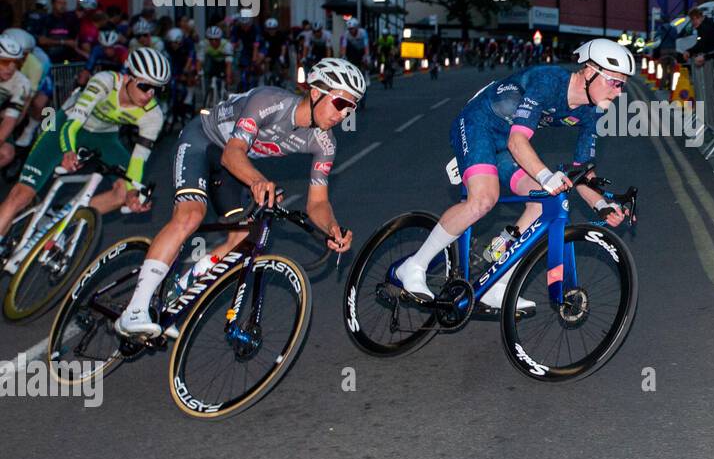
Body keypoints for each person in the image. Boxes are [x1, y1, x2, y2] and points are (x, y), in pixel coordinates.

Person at [113, 58, 361, 338]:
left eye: (351, 107)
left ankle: (177, 292)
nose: (344, 115)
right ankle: (133, 310)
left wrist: (332, 228)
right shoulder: (270, 101)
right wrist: (258, 181)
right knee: (191, 214)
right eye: (341, 104)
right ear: (316, 93)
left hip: (232, 165)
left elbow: (317, 202)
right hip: (203, 142)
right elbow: (233, 153)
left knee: (242, 239)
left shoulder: (325, 143)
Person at [389, 38, 632, 313]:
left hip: (506, 141)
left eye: (623, 84)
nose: (619, 91)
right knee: (484, 199)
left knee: (543, 203)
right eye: (615, 82)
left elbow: (583, 172)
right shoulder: (549, 80)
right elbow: (519, 143)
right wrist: (545, 176)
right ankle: (413, 266)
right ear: (589, 72)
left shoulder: (591, 113)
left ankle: (498, 284)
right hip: (478, 123)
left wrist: (602, 205)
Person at [0, 47, 169, 252]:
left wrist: (133, 191)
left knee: (126, 190)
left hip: (105, 138)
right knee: (21, 194)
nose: (150, 95)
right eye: (144, 86)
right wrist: (69, 151)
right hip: (67, 125)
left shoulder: (153, 116)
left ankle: (62, 218)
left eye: (157, 89)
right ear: (128, 77)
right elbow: (71, 125)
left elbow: (138, 159)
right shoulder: (104, 82)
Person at [0, 34, 35, 171]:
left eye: (16, 62)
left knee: (6, 153)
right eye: (4, 62)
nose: (11, 67)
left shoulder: (22, 82)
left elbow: (10, 120)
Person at [39, 0, 81, 64]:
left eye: (64, 3)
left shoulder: (71, 20)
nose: (63, 6)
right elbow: (42, 41)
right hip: (51, 60)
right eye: (59, 3)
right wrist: (63, 42)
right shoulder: (46, 20)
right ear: (53, 4)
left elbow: (75, 40)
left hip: (68, 60)